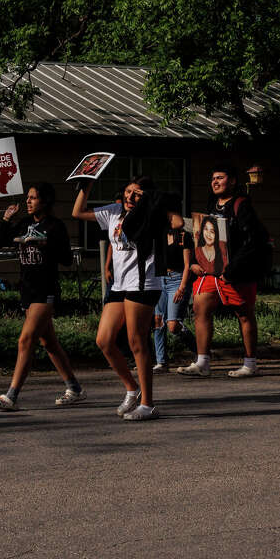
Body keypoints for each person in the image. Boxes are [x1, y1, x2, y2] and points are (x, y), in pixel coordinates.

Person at [72, 175, 179, 421]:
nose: (131, 196)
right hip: (119, 285)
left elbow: (176, 222)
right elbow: (77, 213)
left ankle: (148, 404)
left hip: (144, 283)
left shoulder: (151, 214)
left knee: (136, 341)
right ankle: (132, 388)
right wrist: (86, 186)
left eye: (138, 193)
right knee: (104, 340)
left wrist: (155, 203)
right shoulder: (113, 212)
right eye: (129, 192)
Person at [0, 183, 84, 410]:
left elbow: (67, 259)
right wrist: (6, 219)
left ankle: (11, 395)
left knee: (25, 340)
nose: (28, 202)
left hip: (45, 290)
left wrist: (45, 244)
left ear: (45, 201)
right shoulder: (25, 223)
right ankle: (75, 388)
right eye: (27, 197)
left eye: (33, 198)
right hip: (27, 290)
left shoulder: (55, 226)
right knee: (48, 342)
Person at [176, 164, 269, 379]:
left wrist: (232, 268)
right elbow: (203, 235)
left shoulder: (241, 205)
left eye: (220, 177)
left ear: (233, 181)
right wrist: (195, 261)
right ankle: (202, 362)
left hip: (238, 272)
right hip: (210, 271)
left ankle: (250, 363)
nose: (215, 182)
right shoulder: (211, 203)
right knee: (200, 309)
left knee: (244, 314)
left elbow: (253, 241)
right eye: (213, 178)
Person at [151, 216, 192, 373]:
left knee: (173, 325)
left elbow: (187, 264)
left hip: (177, 280)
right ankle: (161, 361)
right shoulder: (159, 236)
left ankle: (200, 351)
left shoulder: (183, 236)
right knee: (157, 321)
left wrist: (182, 286)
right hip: (160, 279)